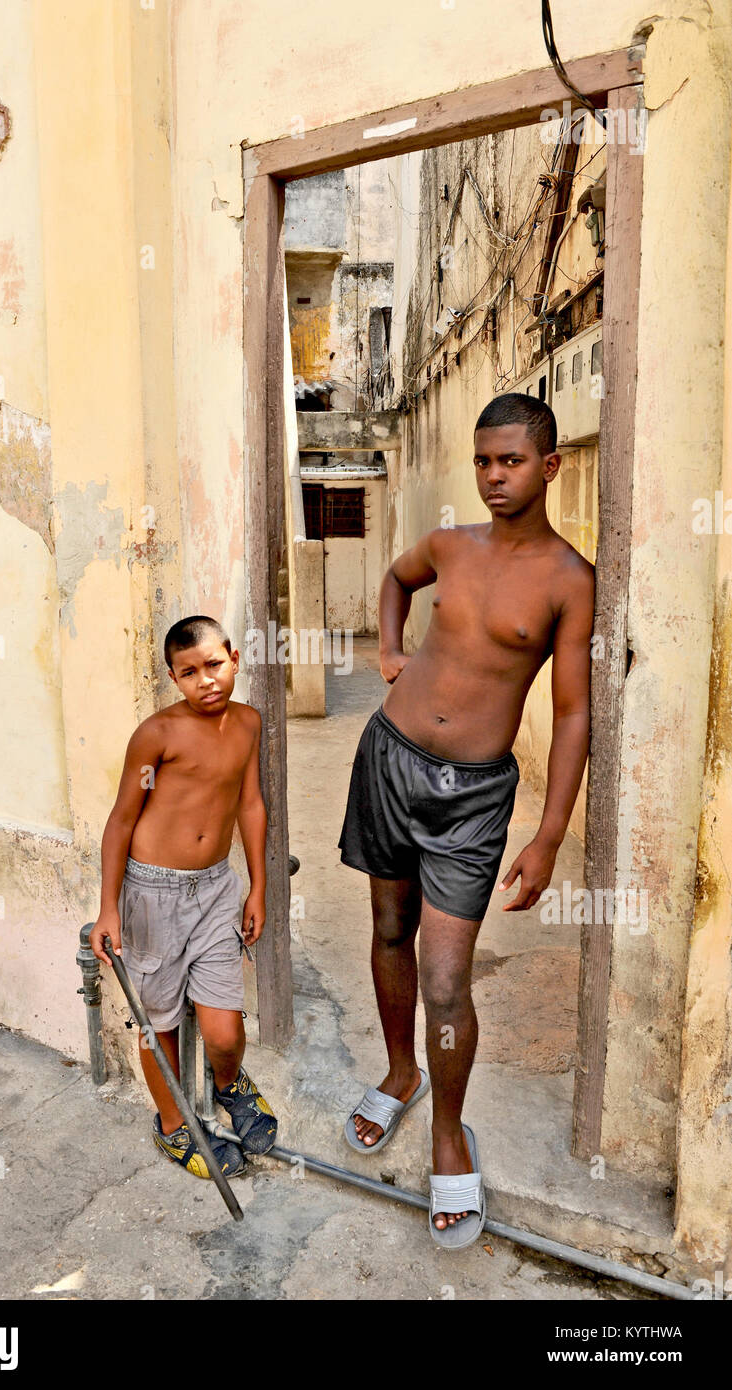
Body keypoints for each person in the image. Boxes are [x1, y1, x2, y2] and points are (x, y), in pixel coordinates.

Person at [338, 393, 594, 1247]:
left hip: (473, 795)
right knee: (386, 925)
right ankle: (399, 1070)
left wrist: (549, 833)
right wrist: (388, 648)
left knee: (446, 974)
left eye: (510, 461)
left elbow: (569, 714)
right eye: (483, 461)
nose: (492, 476)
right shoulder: (449, 544)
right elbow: (396, 578)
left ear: (548, 467)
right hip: (388, 756)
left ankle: (449, 1133)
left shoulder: (567, 579)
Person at [90, 615, 277, 1180]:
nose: (206, 681)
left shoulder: (248, 723)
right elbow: (122, 821)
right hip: (154, 895)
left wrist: (258, 888)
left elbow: (249, 805)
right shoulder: (158, 735)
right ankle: (174, 1126)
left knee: (224, 1030)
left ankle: (230, 1084)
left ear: (236, 658)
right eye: (189, 672)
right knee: (160, 1023)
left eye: (214, 665)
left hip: (218, 887)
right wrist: (108, 908)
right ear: (174, 678)